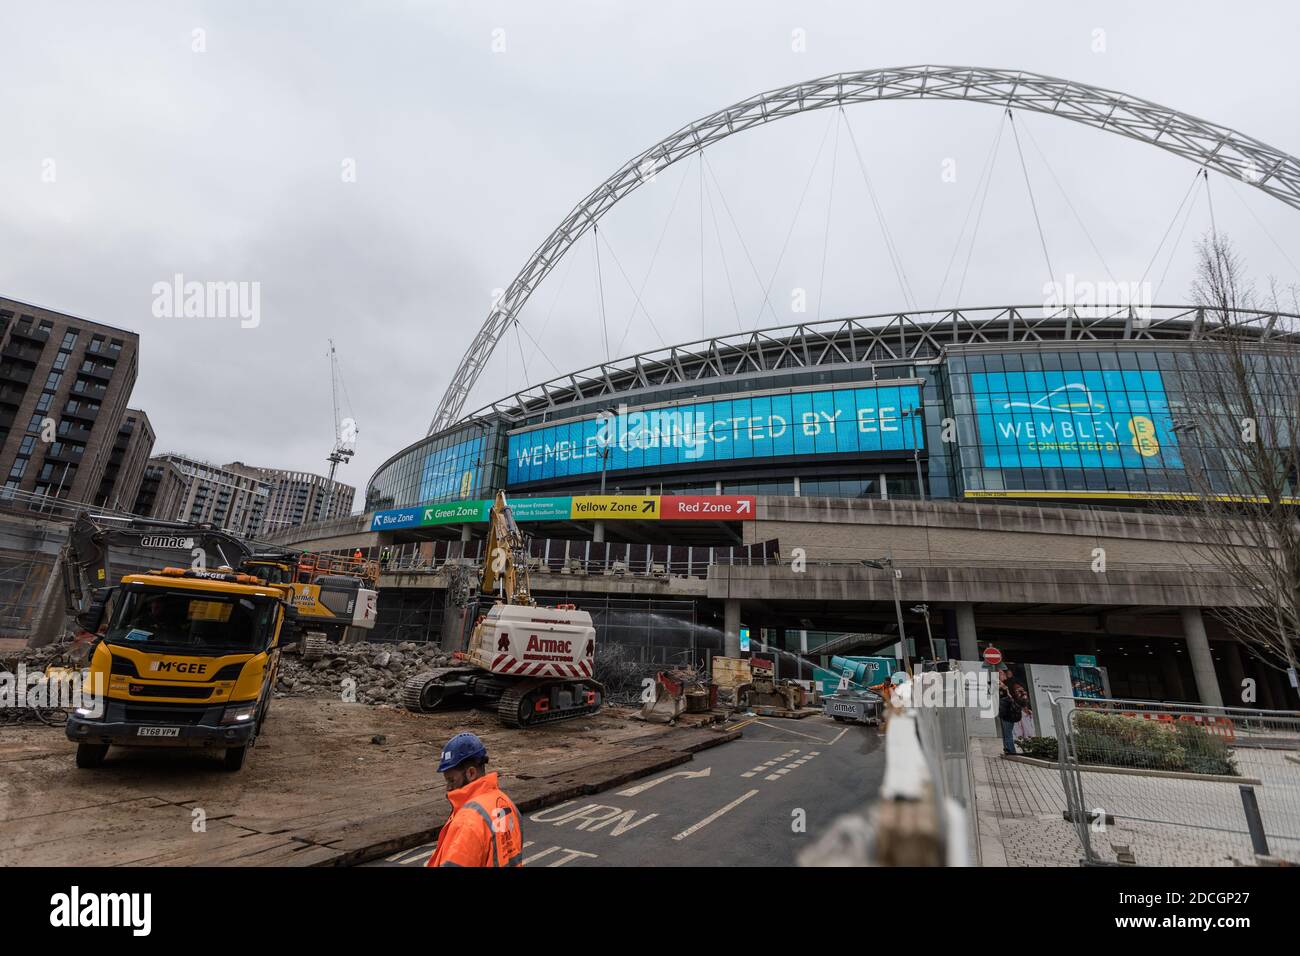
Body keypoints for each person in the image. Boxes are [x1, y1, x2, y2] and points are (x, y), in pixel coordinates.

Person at [426, 732, 523, 868]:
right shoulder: (506, 803)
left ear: (471, 773)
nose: (448, 788)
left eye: (451, 780)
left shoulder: (468, 821)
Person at [997, 670, 1021, 755]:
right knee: (1008, 733)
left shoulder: (1006, 686)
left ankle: (1008, 749)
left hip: (1007, 713)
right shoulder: (1002, 687)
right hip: (1007, 714)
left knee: (1007, 732)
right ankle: (1010, 750)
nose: (1004, 674)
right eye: (1002, 673)